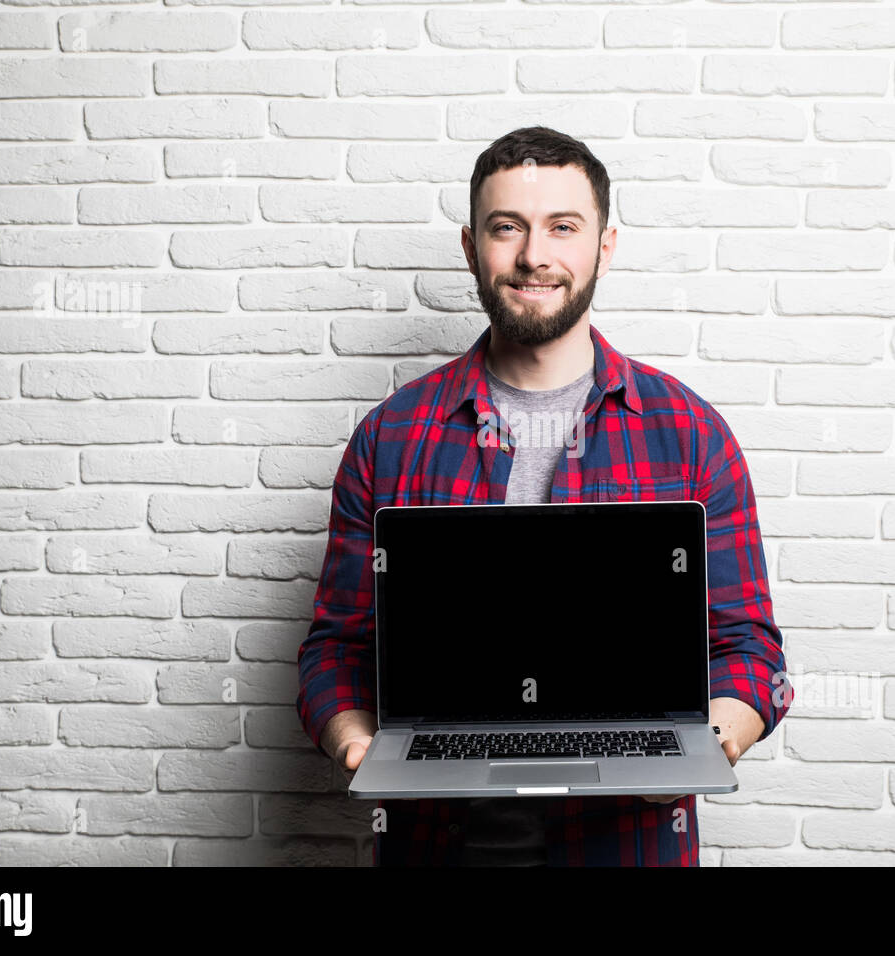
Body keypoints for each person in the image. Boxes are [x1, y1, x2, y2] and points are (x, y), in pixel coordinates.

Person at [297, 126, 791, 866]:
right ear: (471, 247)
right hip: (437, 843)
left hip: (627, 845)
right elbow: (335, 646)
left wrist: (704, 745)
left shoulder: (691, 434)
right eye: (508, 228)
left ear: (605, 245)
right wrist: (353, 745)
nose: (535, 255)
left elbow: (752, 651)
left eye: (564, 227)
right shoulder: (389, 439)